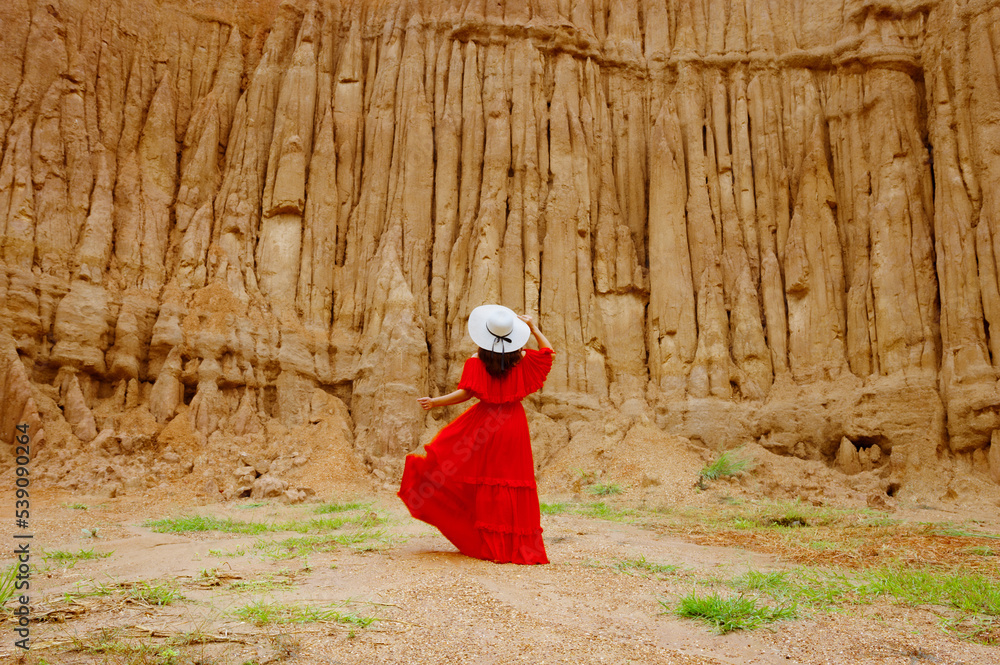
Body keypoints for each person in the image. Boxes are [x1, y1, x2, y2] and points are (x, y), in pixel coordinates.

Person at [397, 305, 555, 565]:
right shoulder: (522, 359)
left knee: (485, 479)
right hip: (513, 424)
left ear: (486, 334)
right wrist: (533, 328)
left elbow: (466, 393)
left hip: (486, 423)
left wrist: (435, 402)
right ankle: (516, 545)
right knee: (513, 479)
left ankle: (490, 543)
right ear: (513, 335)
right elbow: (548, 353)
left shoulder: (476, 360)